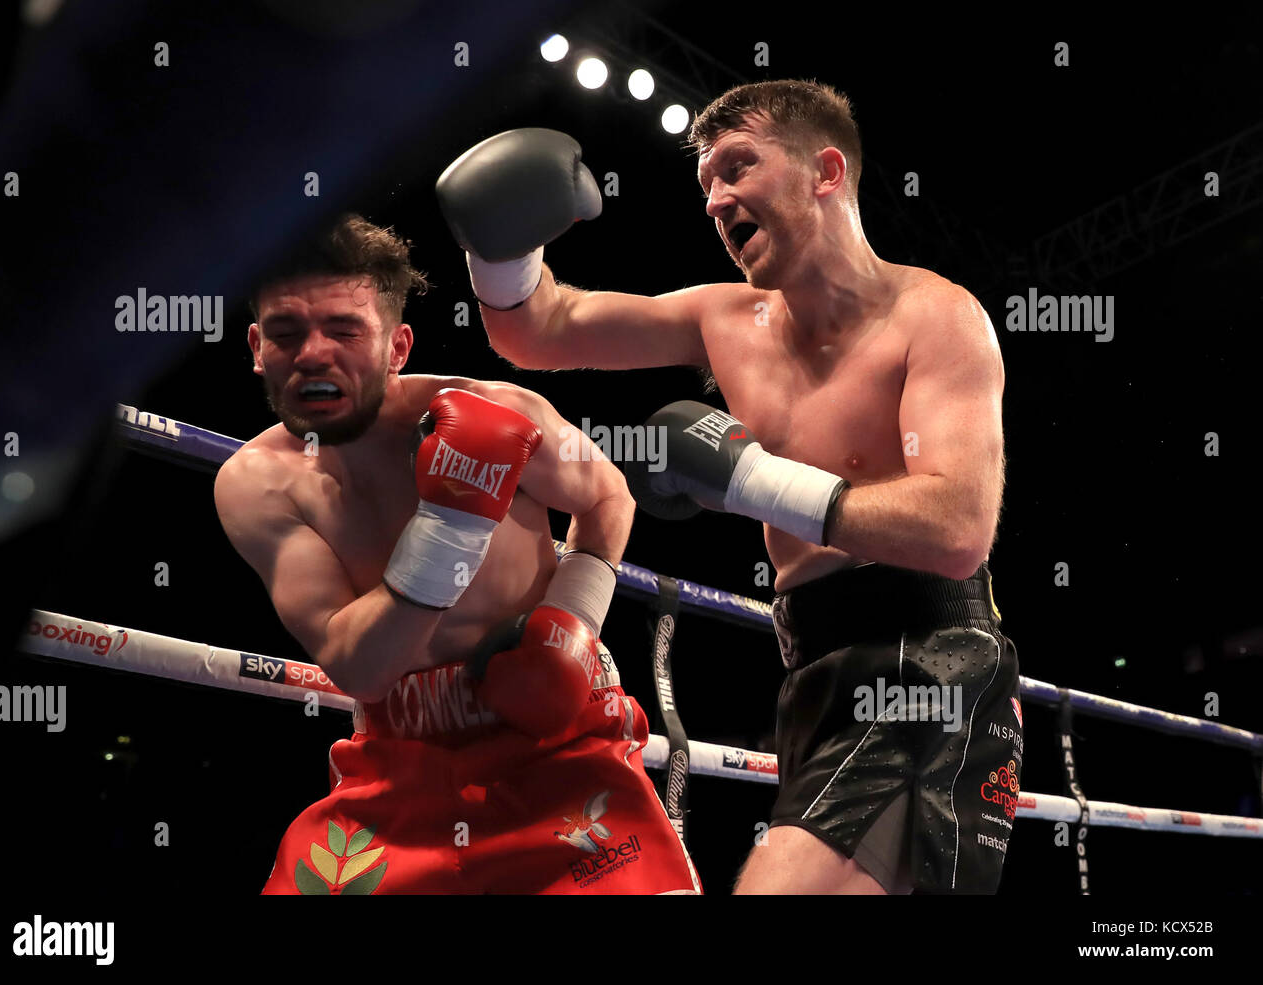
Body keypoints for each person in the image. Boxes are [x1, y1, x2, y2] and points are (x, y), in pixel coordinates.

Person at [437, 81, 1023, 894]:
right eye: (706, 184)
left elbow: (958, 530)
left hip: (929, 663)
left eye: (738, 169)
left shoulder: (936, 317)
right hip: (811, 671)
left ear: (825, 171)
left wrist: (750, 479)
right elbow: (538, 329)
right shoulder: (724, 319)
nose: (717, 200)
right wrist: (500, 244)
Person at [213, 214, 699, 895]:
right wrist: (451, 523)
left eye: (345, 330)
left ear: (397, 346)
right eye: (288, 333)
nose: (314, 353)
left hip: (558, 742)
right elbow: (359, 664)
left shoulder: (496, 406)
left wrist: (569, 624)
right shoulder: (255, 482)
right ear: (258, 347)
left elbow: (609, 496)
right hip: (396, 763)